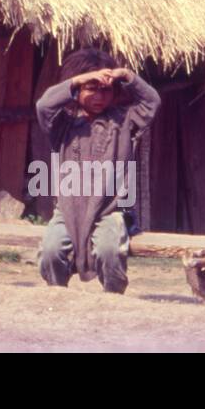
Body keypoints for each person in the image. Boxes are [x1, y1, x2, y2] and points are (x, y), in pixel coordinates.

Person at [35, 47, 160, 293]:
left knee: (109, 250)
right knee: (51, 250)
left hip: (110, 211)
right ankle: (57, 295)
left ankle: (112, 299)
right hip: (68, 211)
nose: (100, 96)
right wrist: (78, 78)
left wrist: (127, 76)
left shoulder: (125, 121)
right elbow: (43, 105)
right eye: (91, 88)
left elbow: (151, 102)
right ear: (77, 90)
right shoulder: (63, 124)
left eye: (106, 90)